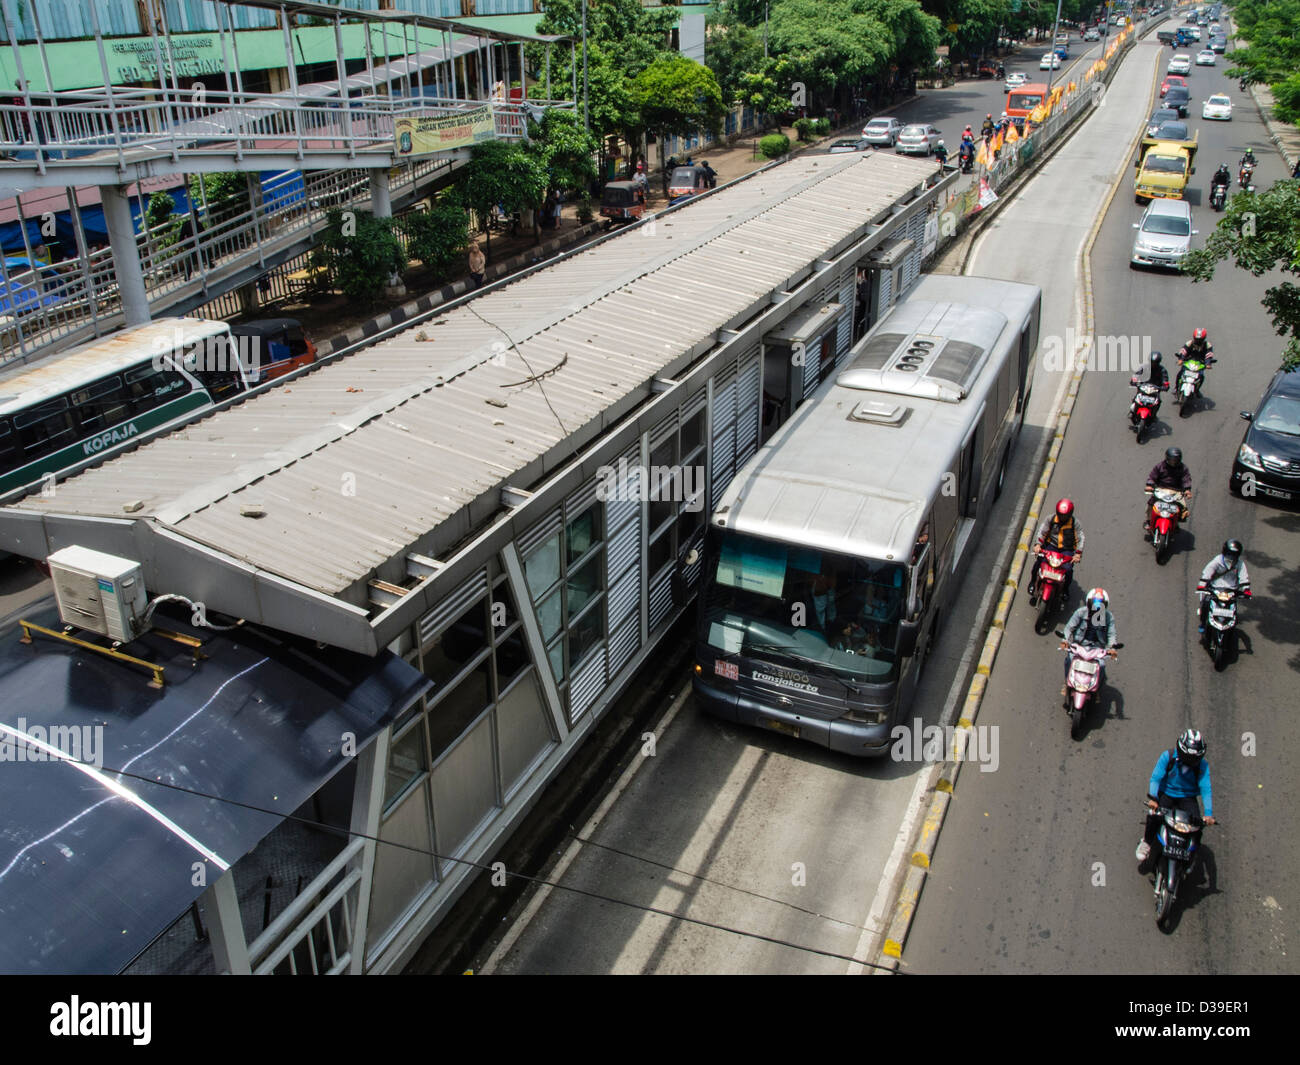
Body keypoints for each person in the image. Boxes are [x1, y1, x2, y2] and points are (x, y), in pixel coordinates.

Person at [1136, 730, 1216, 863]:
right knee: (1154, 815)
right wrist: (1154, 799)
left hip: (1187, 798)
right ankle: (1147, 842)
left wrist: (1208, 814)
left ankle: (1192, 852)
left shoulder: (1203, 766)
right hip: (1166, 794)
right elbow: (1155, 778)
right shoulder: (1168, 757)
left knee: (1197, 826)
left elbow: (1206, 789)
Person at [1059, 587, 1118, 694]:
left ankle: (1096, 691)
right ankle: (1067, 683)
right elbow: (1069, 627)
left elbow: (1111, 634)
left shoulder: (1109, 617)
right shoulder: (1080, 612)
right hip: (1079, 646)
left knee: (1101, 666)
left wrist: (1112, 648)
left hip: (1097, 649)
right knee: (1069, 660)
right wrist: (1065, 640)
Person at [1197, 539, 1251, 634]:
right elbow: (1207, 572)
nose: (1231, 557)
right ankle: (1202, 623)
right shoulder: (1217, 560)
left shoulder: (1240, 564)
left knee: (1232, 608)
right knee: (1205, 604)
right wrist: (1202, 585)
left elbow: (1244, 578)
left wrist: (1246, 590)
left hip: (1231, 591)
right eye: (1229, 553)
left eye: (1234, 554)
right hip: (1215, 588)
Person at [1032, 498, 1084, 593]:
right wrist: (1038, 545)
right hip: (1050, 547)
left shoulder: (1075, 524)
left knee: (1068, 570)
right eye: (1060, 515)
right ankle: (1032, 582)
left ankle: (1065, 590)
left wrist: (1078, 554)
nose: (1062, 518)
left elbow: (1080, 539)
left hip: (1066, 550)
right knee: (1039, 562)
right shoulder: (1050, 519)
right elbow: (1042, 532)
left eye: (1065, 516)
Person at [1144, 446, 1193, 534]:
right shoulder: (1160, 466)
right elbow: (1152, 476)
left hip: (1176, 491)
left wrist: (1187, 490)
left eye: (1175, 460)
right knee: (1150, 505)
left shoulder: (1183, 468)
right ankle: (1149, 521)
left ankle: (1176, 523)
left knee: (1183, 510)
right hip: (1161, 489)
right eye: (1171, 460)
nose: (1173, 462)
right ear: (1167, 458)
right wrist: (1149, 485)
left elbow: (1186, 479)